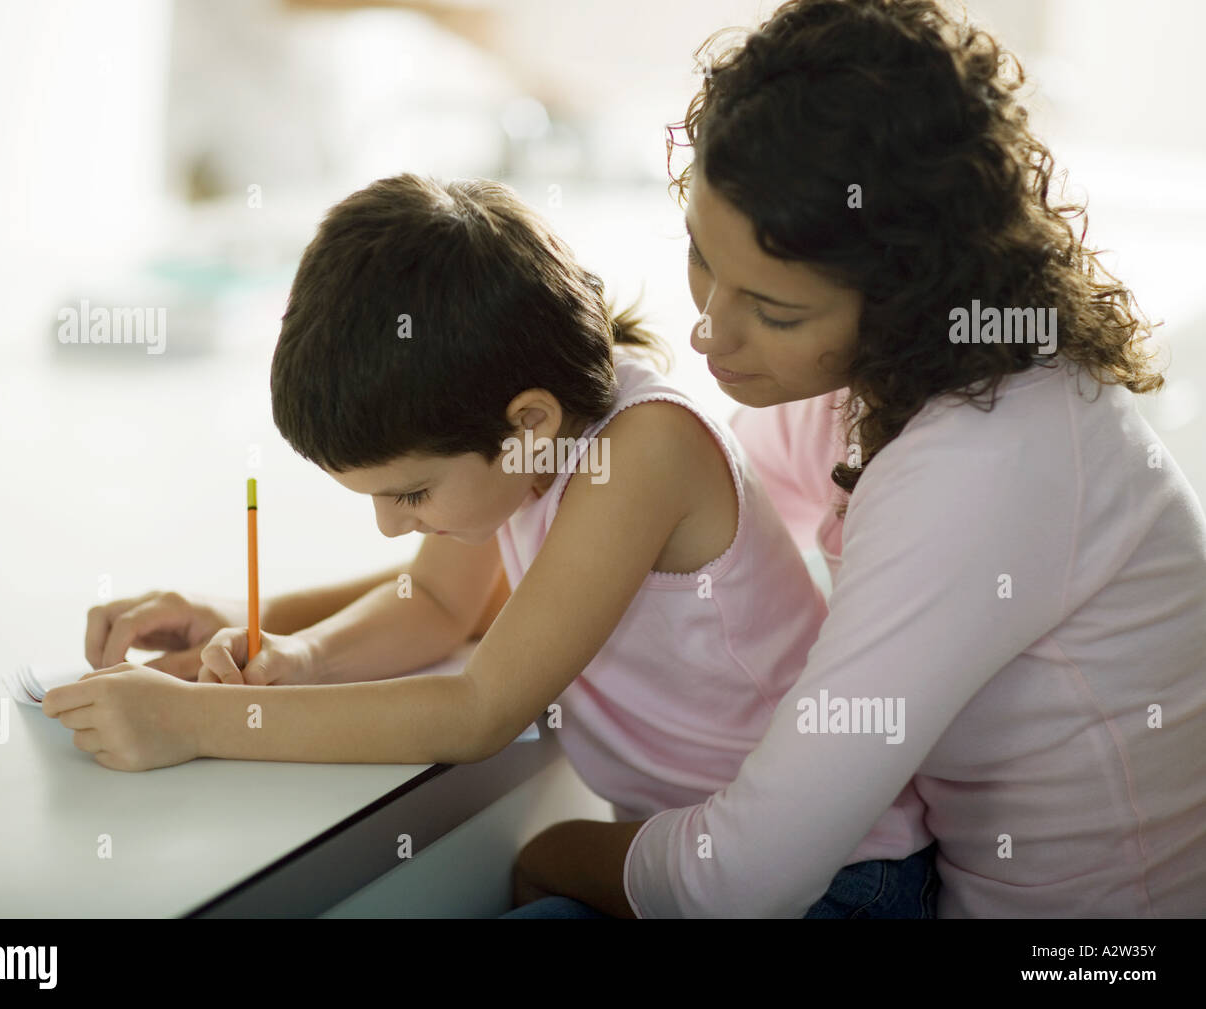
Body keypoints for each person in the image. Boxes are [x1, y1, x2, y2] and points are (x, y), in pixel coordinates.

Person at [53, 172, 936, 916]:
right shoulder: (526, 438)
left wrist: (201, 723)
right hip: (699, 854)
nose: (392, 524)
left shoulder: (644, 450)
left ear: (529, 424)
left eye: (410, 493)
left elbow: (479, 710)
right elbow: (438, 603)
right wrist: (273, 635)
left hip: (843, 879)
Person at [510, 0, 1206, 917]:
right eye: (698, 254)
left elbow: (743, 877)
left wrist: (556, 850)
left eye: (777, 311)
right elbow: (668, 514)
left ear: (911, 294)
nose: (707, 329)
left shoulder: (985, 461)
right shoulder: (881, 383)